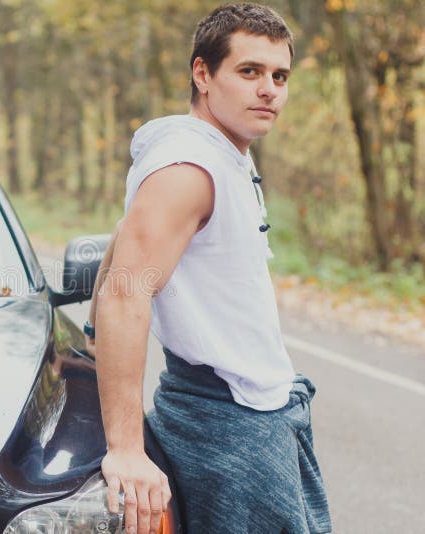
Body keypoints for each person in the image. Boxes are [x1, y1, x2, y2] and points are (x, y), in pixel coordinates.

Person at [85, 3, 332, 533]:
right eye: (249, 72)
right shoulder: (188, 169)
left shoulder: (221, 153)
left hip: (258, 411)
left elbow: (125, 240)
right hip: (229, 425)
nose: (269, 89)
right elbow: (128, 293)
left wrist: (89, 333)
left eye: (279, 76)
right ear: (202, 73)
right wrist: (125, 450)